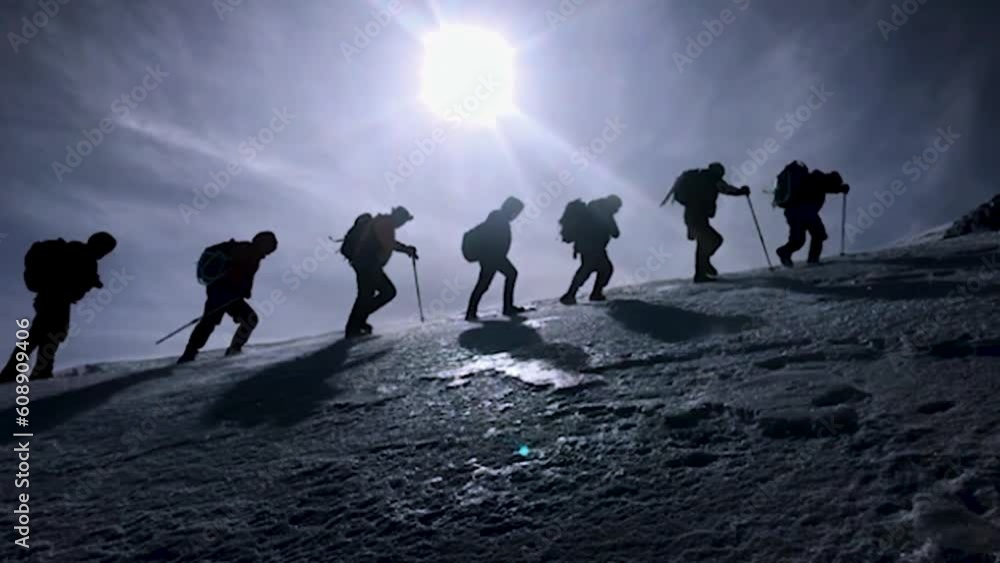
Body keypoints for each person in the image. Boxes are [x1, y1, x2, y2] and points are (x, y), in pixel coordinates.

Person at [0, 232, 117, 382]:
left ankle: (28, 372)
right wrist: (90, 281)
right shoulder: (81, 254)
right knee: (44, 336)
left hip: (53, 299)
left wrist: (90, 281)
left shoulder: (78, 252)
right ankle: (31, 373)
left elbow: (74, 284)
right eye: (105, 249)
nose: (105, 254)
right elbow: (71, 280)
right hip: (55, 299)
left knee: (43, 336)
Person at [177, 231, 278, 364]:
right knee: (218, 321)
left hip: (225, 293)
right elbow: (240, 272)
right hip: (223, 292)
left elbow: (244, 275)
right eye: (270, 248)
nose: (269, 252)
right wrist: (243, 289)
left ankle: (191, 352)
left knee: (212, 321)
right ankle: (196, 352)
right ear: (263, 243)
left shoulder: (250, 252)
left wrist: (244, 290)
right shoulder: (247, 250)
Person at [662, 162, 749, 283]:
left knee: (706, 241)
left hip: (691, 215)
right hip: (698, 216)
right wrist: (741, 192)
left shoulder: (699, 178)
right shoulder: (712, 179)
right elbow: (726, 189)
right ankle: (701, 272)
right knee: (712, 240)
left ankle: (702, 269)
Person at [344, 206, 418, 337]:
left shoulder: (383, 222)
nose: (402, 223)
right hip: (368, 264)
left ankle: (357, 323)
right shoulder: (385, 223)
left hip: (363, 263)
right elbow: (389, 244)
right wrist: (407, 250)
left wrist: (406, 249)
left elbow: (388, 243)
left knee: (367, 294)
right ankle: (354, 326)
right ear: (397, 216)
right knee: (385, 292)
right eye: (403, 220)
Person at [773, 162, 850, 267]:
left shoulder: (812, 178)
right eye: (836, 182)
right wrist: (840, 189)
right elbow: (826, 186)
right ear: (832, 179)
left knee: (798, 239)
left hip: (793, 212)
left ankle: (785, 252)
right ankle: (812, 260)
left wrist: (839, 189)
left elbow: (825, 187)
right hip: (805, 211)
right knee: (818, 234)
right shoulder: (818, 177)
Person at [463, 197, 527, 321]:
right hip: (492, 257)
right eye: (516, 212)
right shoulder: (499, 219)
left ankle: (471, 312)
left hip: (492, 257)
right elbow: (496, 241)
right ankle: (507, 307)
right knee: (510, 274)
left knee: (484, 284)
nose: (516, 215)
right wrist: (497, 256)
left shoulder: (498, 218)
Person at [559, 195, 622, 305]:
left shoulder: (595, 209)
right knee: (601, 269)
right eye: (617, 208)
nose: (617, 211)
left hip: (587, 247)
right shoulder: (604, 211)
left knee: (589, 269)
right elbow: (615, 233)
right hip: (593, 247)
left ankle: (574, 294)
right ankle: (587, 294)